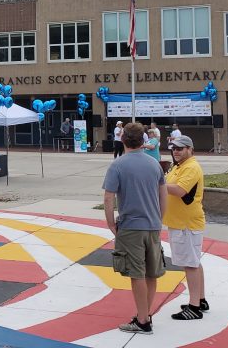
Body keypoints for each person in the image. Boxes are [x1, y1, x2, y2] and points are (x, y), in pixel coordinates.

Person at [102, 122, 167, 335]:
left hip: (131, 227)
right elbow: (162, 194)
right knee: (151, 273)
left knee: (136, 274)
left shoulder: (118, 165)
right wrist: (159, 218)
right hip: (153, 224)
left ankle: (142, 321)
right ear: (144, 141)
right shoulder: (154, 164)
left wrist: (111, 223)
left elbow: (109, 196)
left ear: (123, 140)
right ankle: (145, 314)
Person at [164, 135, 209, 320]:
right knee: (194, 262)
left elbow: (180, 190)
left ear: (190, 149)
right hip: (180, 223)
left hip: (186, 224)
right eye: (174, 148)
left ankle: (194, 307)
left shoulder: (191, 167)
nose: (176, 151)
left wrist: (158, 182)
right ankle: (200, 299)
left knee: (190, 264)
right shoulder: (179, 166)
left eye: (180, 148)